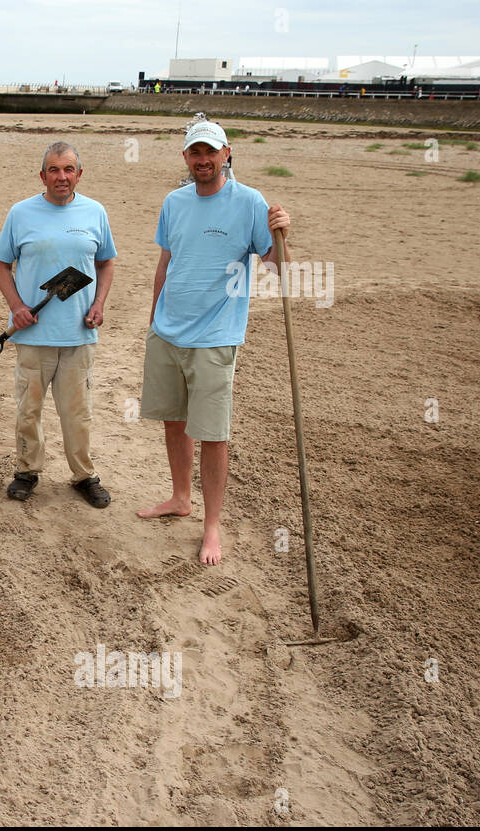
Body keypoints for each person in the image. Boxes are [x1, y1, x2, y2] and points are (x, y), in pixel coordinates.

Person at [137, 119, 291, 563]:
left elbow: (276, 267)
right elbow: (166, 263)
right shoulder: (174, 201)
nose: (203, 160)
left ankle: (211, 527)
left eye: (211, 152)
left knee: (212, 434)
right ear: (186, 157)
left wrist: (282, 233)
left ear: (227, 153)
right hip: (167, 331)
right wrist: (153, 320)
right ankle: (180, 498)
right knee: (174, 420)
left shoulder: (249, 202)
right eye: (195, 152)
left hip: (216, 337)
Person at [0, 142, 117, 507]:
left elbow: (106, 262)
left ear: (79, 174)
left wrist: (98, 304)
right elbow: (1, 263)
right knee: (28, 410)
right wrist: (16, 306)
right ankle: (27, 471)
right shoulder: (20, 213)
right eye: (54, 170)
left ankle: (83, 476)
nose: (61, 177)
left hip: (79, 335)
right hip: (33, 335)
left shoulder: (95, 212)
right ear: (42, 175)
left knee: (78, 413)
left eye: (68, 169)